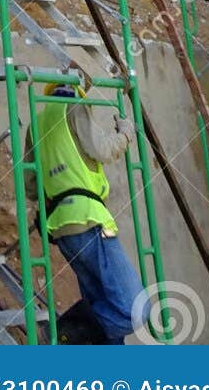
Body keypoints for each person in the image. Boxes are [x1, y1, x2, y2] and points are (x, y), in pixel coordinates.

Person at [26, 82, 146, 344]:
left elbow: (31, 187)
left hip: (62, 227)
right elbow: (101, 149)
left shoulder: (35, 126)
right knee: (135, 310)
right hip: (88, 219)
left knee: (102, 308)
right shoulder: (74, 107)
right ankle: (64, 336)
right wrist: (126, 134)